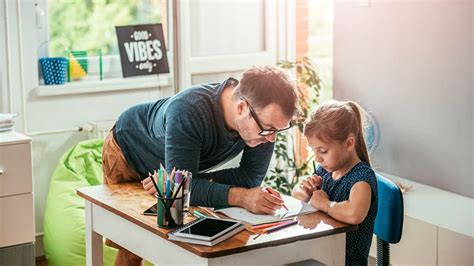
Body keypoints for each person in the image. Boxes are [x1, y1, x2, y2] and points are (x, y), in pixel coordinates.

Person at [102, 66, 299, 265]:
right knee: (133, 244)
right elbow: (183, 188)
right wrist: (242, 196)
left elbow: (250, 178)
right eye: (268, 130)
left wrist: (175, 182)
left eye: (278, 131)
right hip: (129, 151)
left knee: (182, 239)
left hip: (170, 169)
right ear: (241, 108)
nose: (271, 138)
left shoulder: (261, 122)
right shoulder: (187, 110)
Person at [292, 100, 378, 265]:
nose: (317, 158)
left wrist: (325, 204)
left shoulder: (362, 178)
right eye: (314, 150)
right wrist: (306, 191)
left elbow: (354, 214)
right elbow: (296, 193)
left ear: (349, 143)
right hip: (324, 256)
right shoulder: (325, 170)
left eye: (323, 151)